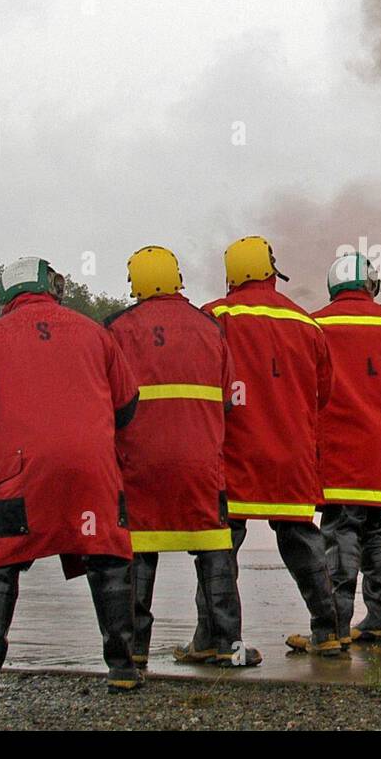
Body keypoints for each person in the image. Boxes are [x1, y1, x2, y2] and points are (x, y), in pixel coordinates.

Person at [0, 256, 142, 699]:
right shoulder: (96, 333)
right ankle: (123, 668)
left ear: (6, 293)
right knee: (108, 557)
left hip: (22, 469)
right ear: (51, 287)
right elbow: (128, 405)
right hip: (94, 471)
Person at [106, 245, 259, 668]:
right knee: (214, 551)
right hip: (201, 466)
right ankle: (229, 646)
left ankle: (132, 653)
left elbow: (108, 401)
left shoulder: (117, 328)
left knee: (138, 554)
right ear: (177, 279)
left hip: (138, 466)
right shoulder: (210, 327)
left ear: (136, 282)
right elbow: (229, 396)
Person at [203, 236, 341, 657]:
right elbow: (324, 392)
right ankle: (329, 631)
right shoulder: (306, 324)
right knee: (302, 541)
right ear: (269, 272)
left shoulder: (214, 317)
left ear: (231, 275)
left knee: (220, 548)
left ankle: (220, 642)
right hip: (292, 456)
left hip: (234, 455)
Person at [312, 251, 381, 643]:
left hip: (339, 454)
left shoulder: (316, 325)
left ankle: (333, 629)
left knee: (340, 535)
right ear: (370, 285)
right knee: (376, 537)